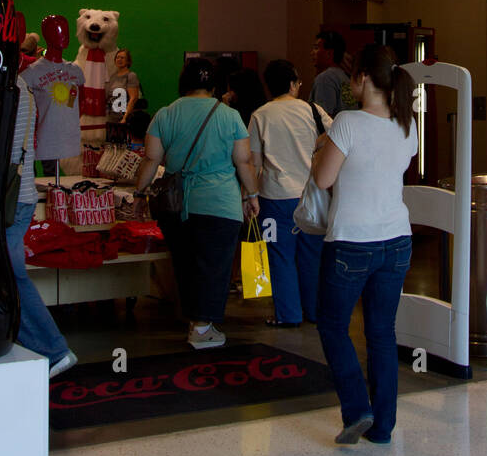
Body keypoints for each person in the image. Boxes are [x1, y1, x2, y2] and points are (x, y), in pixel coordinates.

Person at [312, 45, 418, 446]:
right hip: (397, 241)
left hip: (352, 243)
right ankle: (383, 428)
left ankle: (358, 409)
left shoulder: (347, 122)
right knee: (381, 334)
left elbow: (323, 180)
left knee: (334, 326)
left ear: (361, 80)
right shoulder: (407, 124)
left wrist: (319, 152)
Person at [133, 57, 259, 349]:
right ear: (214, 85)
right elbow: (244, 161)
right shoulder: (229, 116)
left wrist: (140, 194)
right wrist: (251, 195)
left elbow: (151, 159)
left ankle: (195, 320)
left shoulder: (165, 114)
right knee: (214, 265)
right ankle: (202, 329)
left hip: (177, 206)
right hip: (220, 202)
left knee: (186, 263)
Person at [248, 59, 331, 327]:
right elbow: (337, 136)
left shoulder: (260, 115)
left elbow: (255, 163)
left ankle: (288, 315)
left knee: (279, 256)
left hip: (274, 198)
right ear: (294, 84)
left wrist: (249, 196)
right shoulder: (313, 110)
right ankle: (315, 310)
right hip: (312, 196)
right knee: (311, 257)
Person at [6, 76, 77, 376]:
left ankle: (51, 349)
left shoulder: (11, 88)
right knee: (7, 269)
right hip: (18, 195)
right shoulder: (24, 86)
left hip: (7, 199)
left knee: (9, 272)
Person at [309, 30, 349, 117]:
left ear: (329, 53)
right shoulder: (344, 76)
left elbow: (323, 117)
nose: (312, 53)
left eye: (316, 48)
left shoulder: (325, 79)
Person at [106, 48, 142, 138]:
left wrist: (125, 118)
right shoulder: (112, 77)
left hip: (123, 120)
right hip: (111, 118)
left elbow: (134, 98)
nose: (119, 60)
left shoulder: (131, 76)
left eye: (122, 58)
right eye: (117, 57)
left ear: (128, 61)